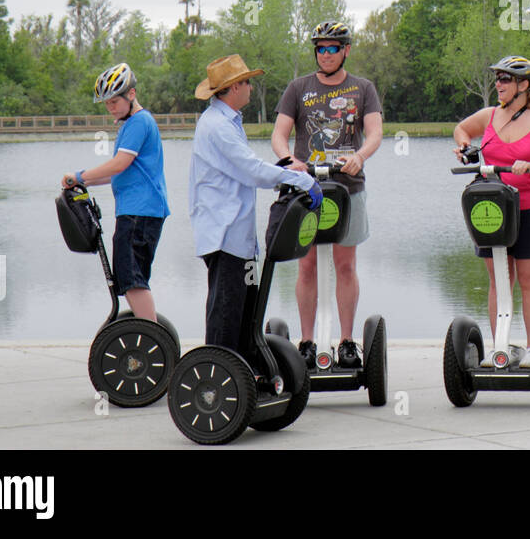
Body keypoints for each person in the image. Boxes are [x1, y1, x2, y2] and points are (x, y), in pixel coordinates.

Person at [190, 54, 321, 353]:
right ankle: (218, 383)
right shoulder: (218, 127)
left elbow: (245, 169)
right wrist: (301, 180)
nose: (250, 87)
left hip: (238, 237)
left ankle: (244, 376)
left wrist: (284, 173)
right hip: (225, 237)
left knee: (244, 313)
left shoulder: (227, 121)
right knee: (226, 314)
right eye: (247, 82)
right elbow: (252, 170)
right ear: (234, 87)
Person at [271, 20, 383, 369]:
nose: (327, 53)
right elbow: (279, 134)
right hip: (308, 188)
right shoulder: (298, 87)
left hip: (347, 187)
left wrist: (359, 156)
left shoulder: (362, 88)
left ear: (346, 50)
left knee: (345, 265)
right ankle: (307, 341)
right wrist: (291, 162)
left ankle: (347, 341)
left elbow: (376, 132)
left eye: (334, 48)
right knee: (306, 266)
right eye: (321, 48)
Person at [453, 55, 530, 368]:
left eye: (504, 79)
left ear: (523, 85)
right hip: (493, 208)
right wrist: (463, 146)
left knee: (529, 280)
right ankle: (499, 344)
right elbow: (461, 129)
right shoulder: (489, 116)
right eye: (497, 79)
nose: (497, 85)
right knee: (498, 278)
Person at [61, 62, 169, 322]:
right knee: (130, 278)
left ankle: (151, 337)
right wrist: (83, 183)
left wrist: (78, 176)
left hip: (138, 213)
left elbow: (120, 163)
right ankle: (150, 334)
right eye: (107, 103)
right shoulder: (132, 124)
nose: (110, 108)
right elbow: (117, 173)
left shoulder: (138, 123)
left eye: (114, 101)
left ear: (131, 95)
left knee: (132, 280)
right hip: (138, 211)